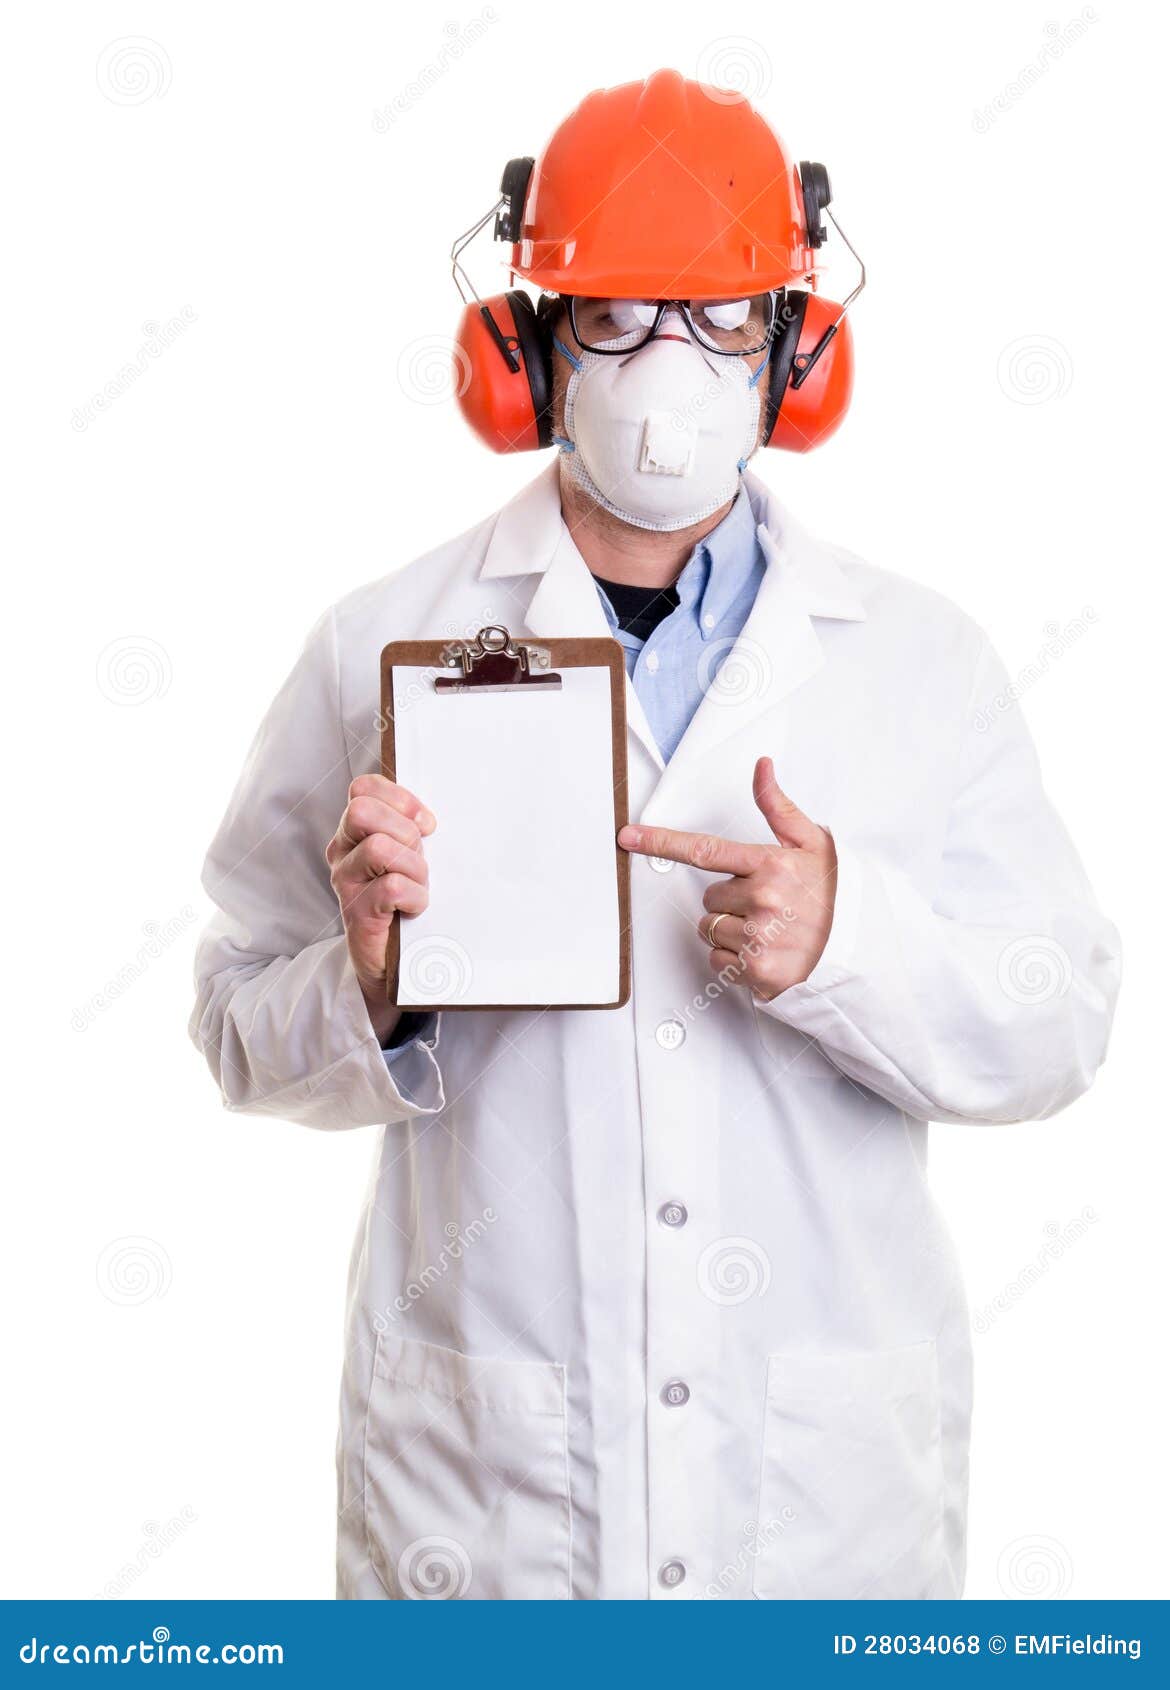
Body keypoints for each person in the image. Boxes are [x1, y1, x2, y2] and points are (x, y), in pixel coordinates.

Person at [191, 69, 1120, 1601]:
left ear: (796, 347)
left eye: (719, 317)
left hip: (817, 1516)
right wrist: (367, 983)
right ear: (526, 346)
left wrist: (852, 940)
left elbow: (1061, 1021)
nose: (664, 366)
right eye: (613, 316)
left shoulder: (918, 657)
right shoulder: (380, 643)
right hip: (484, 1504)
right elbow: (231, 1015)